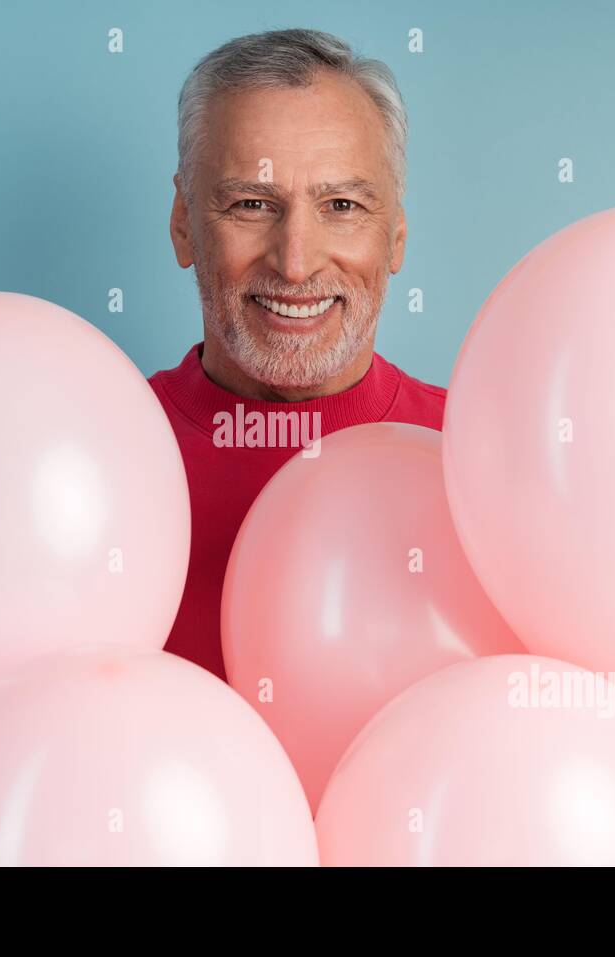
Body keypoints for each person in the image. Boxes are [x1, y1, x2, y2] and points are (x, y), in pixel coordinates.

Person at [150, 29, 445, 679]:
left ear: (395, 233)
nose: (296, 261)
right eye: (252, 204)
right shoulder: (96, 455)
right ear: (183, 222)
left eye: (342, 205)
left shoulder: (477, 460)